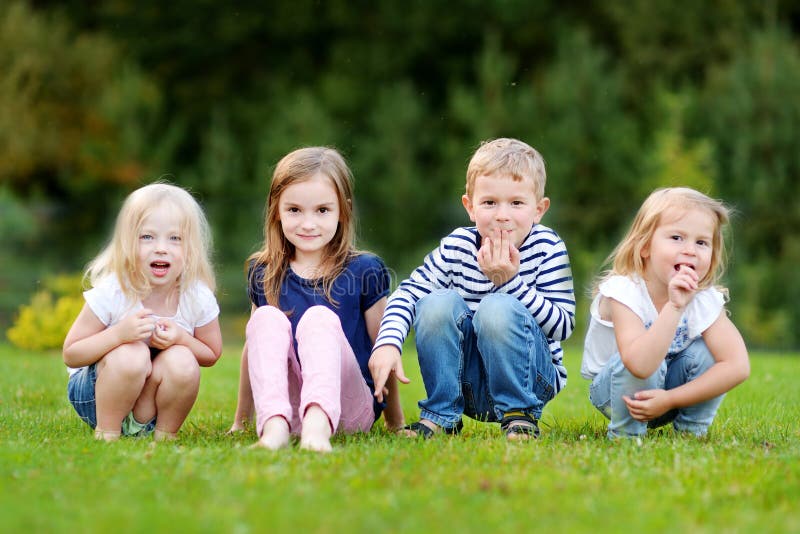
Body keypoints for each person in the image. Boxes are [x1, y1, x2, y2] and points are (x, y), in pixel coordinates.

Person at [369, 138, 575, 441]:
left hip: (532, 378)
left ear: (539, 209)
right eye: (490, 202)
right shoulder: (458, 247)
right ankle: (441, 415)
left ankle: (520, 415)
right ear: (470, 207)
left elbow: (563, 327)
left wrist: (511, 283)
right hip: (469, 384)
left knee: (497, 306)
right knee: (436, 302)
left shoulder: (547, 247)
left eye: (516, 203)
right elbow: (409, 292)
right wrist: (388, 342)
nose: (502, 214)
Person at [227, 146, 404, 453]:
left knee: (319, 318)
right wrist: (240, 420)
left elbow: (383, 349)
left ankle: (318, 429)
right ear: (276, 210)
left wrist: (395, 423)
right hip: (288, 406)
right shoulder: (263, 271)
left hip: (348, 409)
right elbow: (254, 349)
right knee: (266, 319)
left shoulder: (365, 269)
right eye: (294, 210)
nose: (308, 223)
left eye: (322, 210)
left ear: (342, 210)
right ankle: (274, 429)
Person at [581, 187, 750, 439]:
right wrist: (675, 307)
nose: (691, 250)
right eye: (677, 238)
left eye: (701, 242)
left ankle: (691, 432)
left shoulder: (703, 298)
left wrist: (670, 399)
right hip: (615, 391)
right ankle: (626, 435)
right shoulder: (624, 290)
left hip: (668, 395)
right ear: (645, 246)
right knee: (649, 351)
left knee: (709, 352)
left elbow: (737, 366)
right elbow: (639, 364)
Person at [63, 182, 222, 442]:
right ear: (127, 243)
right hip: (96, 396)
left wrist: (182, 338)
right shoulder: (115, 290)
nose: (161, 248)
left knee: (183, 358)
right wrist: (119, 335)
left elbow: (211, 354)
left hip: (151, 403)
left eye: (175, 238)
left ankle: (164, 435)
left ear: (190, 248)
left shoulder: (196, 296)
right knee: (132, 352)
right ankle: (108, 432)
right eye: (147, 237)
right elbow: (72, 354)